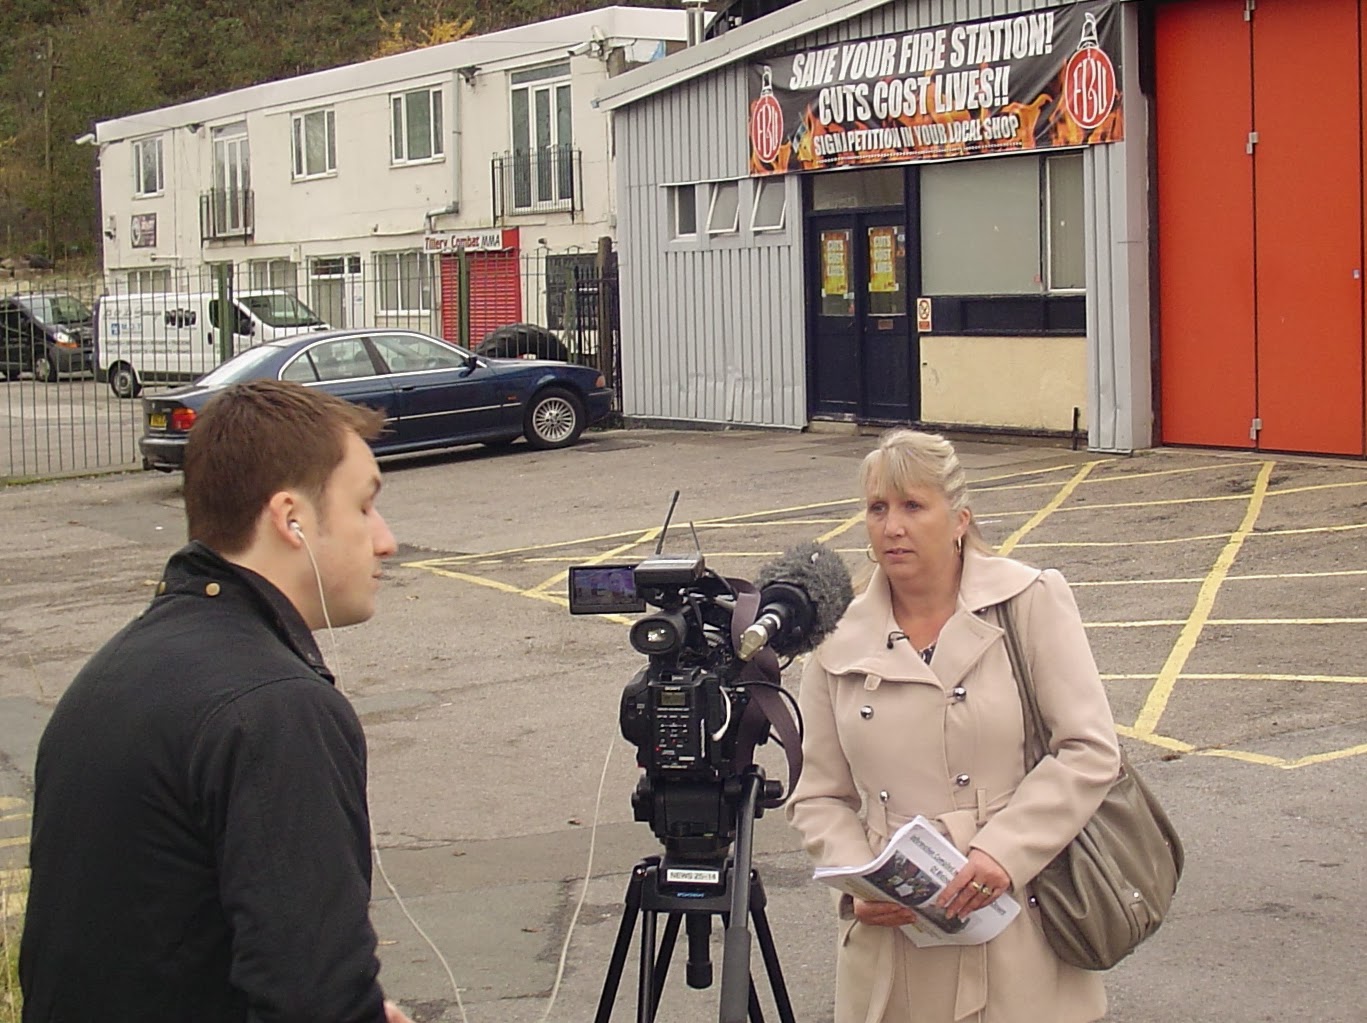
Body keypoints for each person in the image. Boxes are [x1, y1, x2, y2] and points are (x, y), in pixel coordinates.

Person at [20, 380, 414, 1023]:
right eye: (365, 507)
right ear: (292, 518)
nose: (386, 540)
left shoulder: (120, 667)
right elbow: (314, 1004)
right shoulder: (276, 709)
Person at [786, 428, 1121, 1023]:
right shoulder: (837, 637)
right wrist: (860, 885)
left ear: (960, 517)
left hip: (1019, 917)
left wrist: (1003, 852)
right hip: (896, 936)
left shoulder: (1029, 600)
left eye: (914, 506)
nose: (892, 527)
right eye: (877, 508)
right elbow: (819, 795)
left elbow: (1088, 749)